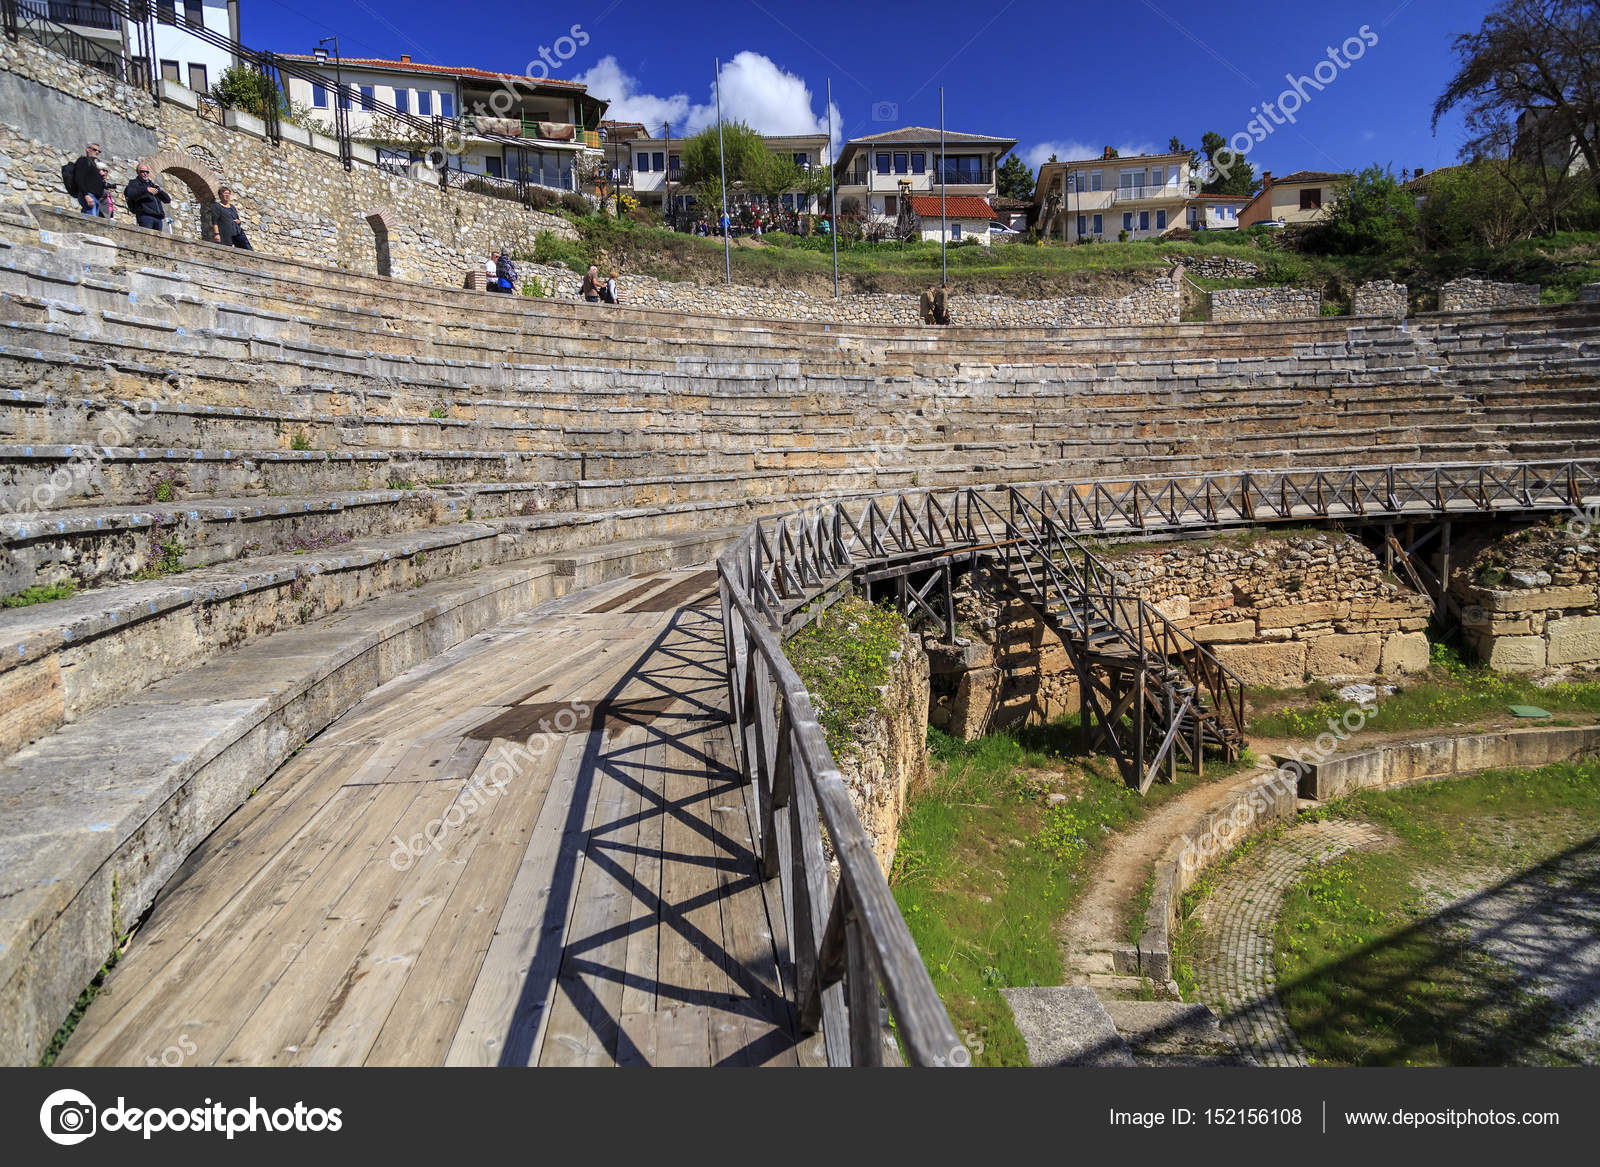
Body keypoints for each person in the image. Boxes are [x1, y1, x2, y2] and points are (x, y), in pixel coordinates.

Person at [124, 164, 171, 231]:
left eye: (147, 172)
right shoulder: (134, 183)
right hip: (146, 217)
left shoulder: (152, 185)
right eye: (142, 171)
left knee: (157, 240)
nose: (145, 173)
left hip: (158, 218)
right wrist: (146, 190)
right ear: (138, 172)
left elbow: (167, 200)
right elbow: (130, 193)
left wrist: (159, 190)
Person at [70, 143, 106, 217]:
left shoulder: (94, 164)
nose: (97, 152)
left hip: (95, 197)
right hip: (89, 195)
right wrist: (86, 195)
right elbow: (79, 178)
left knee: (93, 220)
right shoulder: (83, 160)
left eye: (99, 151)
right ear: (87, 149)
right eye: (94, 149)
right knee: (92, 221)